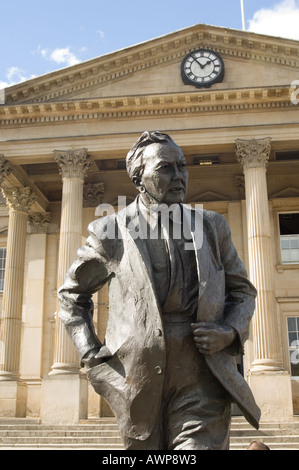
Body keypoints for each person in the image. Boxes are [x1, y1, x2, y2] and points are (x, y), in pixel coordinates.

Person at [58, 131, 260, 450]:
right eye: (166, 168)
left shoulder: (212, 226)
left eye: (182, 166)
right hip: (135, 378)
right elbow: (71, 297)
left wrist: (230, 331)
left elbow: (242, 292)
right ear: (139, 178)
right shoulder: (110, 231)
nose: (179, 176)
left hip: (202, 374)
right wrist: (90, 354)